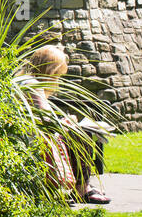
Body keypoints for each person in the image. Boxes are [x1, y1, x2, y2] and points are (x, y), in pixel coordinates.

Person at [25, 45, 110, 205]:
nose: (57, 81)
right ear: (51, 71)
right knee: (80, 132)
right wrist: (66, 122)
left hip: (30, 135)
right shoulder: (34, 85)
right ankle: (82, 189)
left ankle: (83, 186)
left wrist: (63, 121)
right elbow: (47, 122)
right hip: (35, 140)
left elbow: (40, 117)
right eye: (58, 76)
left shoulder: (26, 80)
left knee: (75, 128)